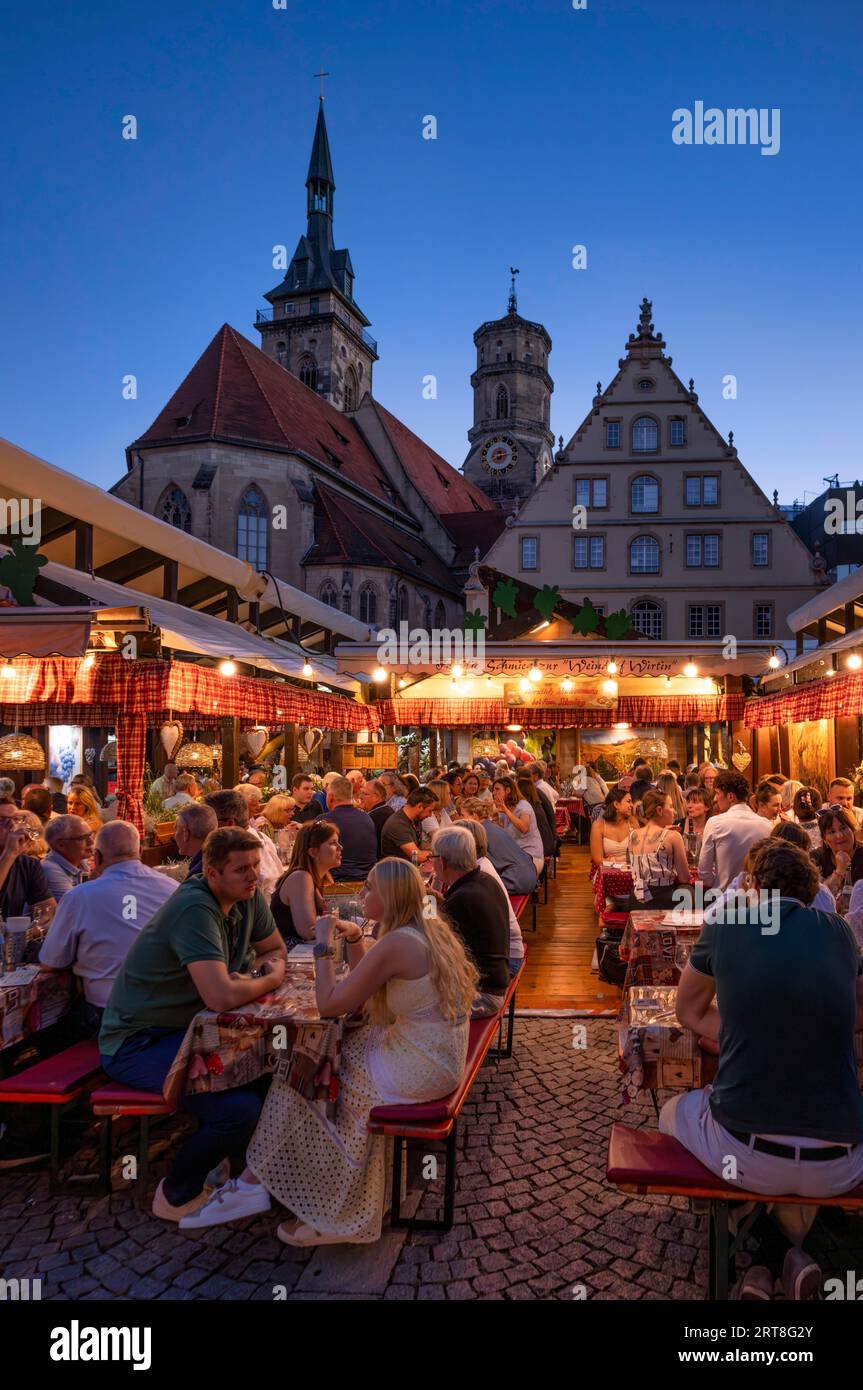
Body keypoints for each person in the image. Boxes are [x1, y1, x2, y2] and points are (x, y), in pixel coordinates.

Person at [182, 856, 476, 1238]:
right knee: (314, 1062)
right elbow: (369, 975)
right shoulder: (423, 929)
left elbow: (331, 1005)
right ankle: (267, 1183)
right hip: (434, 1054)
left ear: (387, 896)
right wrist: (354, 937)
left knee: (314, 1075)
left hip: (421, 1065)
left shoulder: (400, 942)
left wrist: (324, 947)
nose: (362, 892)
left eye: (369, 887)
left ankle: (322, 1203)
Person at [666, 840, 863, 1301]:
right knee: (790, 1158)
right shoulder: (838, 931)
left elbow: (688, 1012)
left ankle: (759, 1255)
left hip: (746, 1150)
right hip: (842, 1160)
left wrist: (744, 1028)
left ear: (752, 886)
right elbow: (855, 1012)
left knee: (673, 1112)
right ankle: (789, 1257)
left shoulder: (727, 923)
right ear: (812, 889)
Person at [99, 827, 288, 1223]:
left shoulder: (247, 896)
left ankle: (241, 1178)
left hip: (195, 1032)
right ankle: (175, 1193)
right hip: (139, 1041)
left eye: (255, 865)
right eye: (241, 869)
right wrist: (266, 980)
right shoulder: (194, 908)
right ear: (211, 874)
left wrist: (248, 975)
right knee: (238, 1108)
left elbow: (275, 949)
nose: (254, 875)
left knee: (274, 1075)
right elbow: (220, 996)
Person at [39, 822, 179, 1040]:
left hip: (111, 1014)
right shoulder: (173, 888)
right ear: (140, 851)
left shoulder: (79, 897)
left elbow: (51, 963)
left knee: (49, 1034)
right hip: (170, 1010)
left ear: (97, 856)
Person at [432, 825, 510, 1017]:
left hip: (481, 996)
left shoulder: (463, 898)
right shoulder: (483, 880)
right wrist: (433, 899)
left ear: (442, 862)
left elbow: (427, 939)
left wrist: (427, 900)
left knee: (407, 1005)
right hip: (494, 983)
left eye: (432, 857)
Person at [271, 820, 354, 949]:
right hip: (293, 956)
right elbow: (309, 931)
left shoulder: (323, 877)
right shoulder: (300, 877)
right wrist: (347, 926)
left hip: (310, 950)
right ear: (313, 852)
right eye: (333, 843)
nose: (340, 847)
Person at [459, 818, 524, 975]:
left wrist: (430, 895)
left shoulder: (475, 877)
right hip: (507, 954)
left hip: (504, 963)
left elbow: (432, 920)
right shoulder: (482, 864)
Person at [204, 790, 282, 900]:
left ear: (230, 824)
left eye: (211, 820)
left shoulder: (238, 849)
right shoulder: (262, 838)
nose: (207, 825)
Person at [698, 770, 768, 891]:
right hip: (756, 897)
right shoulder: (767, 825)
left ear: (730, 796)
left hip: (724, 898)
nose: (715, 798)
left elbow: (704, 871)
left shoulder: (715, 823)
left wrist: (718, 884)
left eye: (718, 793)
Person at [458, 796, 538, 895]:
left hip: (516, 880)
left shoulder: (479, 833)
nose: (460, 819)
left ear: (474, 815)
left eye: (462, 815)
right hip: (529, 876)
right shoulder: (491, 826)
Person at [626, 788, 691, 909]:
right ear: (660, 810)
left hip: (636, 899)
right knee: (690, 891)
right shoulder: (673, 836)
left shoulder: (632, 835)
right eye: (671, 807)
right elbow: (684, 878)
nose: (675, 812)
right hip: (663, 899)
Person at [0, 799, 56, 918]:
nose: (12, 825)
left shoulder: (29, 865)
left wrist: (26, 933)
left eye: (16, 819)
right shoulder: (11, 856)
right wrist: (9, 854)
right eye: (2, 820)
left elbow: (48, 910)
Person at [317, 775, 377, 882]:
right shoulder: (367, 818)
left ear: (330, 797)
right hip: (366, 881)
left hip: (332, 884)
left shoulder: (324, 821)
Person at [813, 805, 863, 916]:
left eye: (843, 828)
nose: (840, 836)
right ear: (824, 839)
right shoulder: (817, 857)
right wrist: (839, 871)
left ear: (852, 830)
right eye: (832, 832)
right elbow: (816, 900)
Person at [492, 776, 544, 876]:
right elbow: (504, 834)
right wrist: (495, 820)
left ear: (507, 790)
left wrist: (506, 811)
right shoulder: (503, 810)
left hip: (531, 856)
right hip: (515, 855)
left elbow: (524, 828)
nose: (494, 793)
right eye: (493, 790)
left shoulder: (523, 806)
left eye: (497, 789)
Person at [41, 814, 95, 898]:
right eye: (83, 838)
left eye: (91, 835)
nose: (91, 842)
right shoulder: (49, 869)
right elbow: (75, 905)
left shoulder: (81, 862)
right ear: (61, 845)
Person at [380, 787, 437, 862]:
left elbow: (417, 844)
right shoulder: (397, 824)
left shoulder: (416, 820)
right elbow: (416, 856)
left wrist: (437, 847)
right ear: (419, 806)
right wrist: (437, 854)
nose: (430, 815)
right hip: (396, 871)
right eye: (430, 811)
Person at [589, 786, 633, 865]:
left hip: (631, 873)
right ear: (616, 804)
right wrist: (625, 859)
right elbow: (598, 860)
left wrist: (615, 860)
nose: (632, 805)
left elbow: (639, 854)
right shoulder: (598, 826)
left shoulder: (633, 823)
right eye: (628, 801)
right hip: (608, 874)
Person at [516, 774, 556, 860]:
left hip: (540, 849)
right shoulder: (536, 805)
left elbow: (523, 830)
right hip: (548, 842)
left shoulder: (527, 808)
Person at [174, 802, 218, 878]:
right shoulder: (220, 858)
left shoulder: (198, 874)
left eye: (176, 829)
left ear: (186, 834)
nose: (174, 835)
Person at [678, 786, 712, 865]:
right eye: (688, 802)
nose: (689, 806)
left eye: (695, 802)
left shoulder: (713, 827)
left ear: (707, 807)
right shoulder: (678, 824)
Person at [359, 777, 394, 853]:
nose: (360, 797)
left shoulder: (375, 816)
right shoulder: (387, 809)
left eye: (364, 794)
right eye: (361, 793)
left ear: (376, 797)